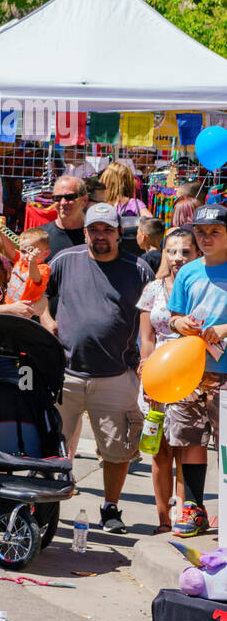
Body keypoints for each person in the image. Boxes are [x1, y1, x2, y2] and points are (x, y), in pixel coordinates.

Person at [40, 203, 153, 534]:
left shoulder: (139, 269)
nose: (100, 236)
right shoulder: (65, 260)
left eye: (107, 229)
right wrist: (47, 320)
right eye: (94, 230)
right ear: (85, 231)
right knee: (51, 445)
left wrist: (146, 361)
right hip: (66, 373)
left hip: (116, 375)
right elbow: (39, 293)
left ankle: (111, 508)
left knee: (117, 450)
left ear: (120, 232)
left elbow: (151, 316)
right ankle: (45, 506)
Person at [166, 206, 227, 538]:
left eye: (215, 231)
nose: (206, 238)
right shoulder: (189, 272)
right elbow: (173, 316)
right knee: (190, 437)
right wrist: (182, 323)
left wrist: (224, 329)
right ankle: (194, 507)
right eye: (201, 232)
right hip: (191, 370)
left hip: (225, 372)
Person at [137, 228, 202, 534]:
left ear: (197, 253)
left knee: (185, 448)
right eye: (172, 251)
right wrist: (149, 378)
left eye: (185, 252)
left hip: (192, 375)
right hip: (157, 378)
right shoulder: (153, 290)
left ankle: (184, 516)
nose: (177, 258)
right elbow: (146, 340)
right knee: (160, 450)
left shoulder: (203, 287)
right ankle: (164, 520)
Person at [98, 161, 151, 256]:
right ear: (128, 182)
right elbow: (151, 221)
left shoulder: (99, 203)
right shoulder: (134, 203)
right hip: (131, 255)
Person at [44, 175, 88, 257]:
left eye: (69, 197)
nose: (63, 202)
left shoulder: (94, 236)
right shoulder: (41, 237)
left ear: (84, 200)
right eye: (57, 198)